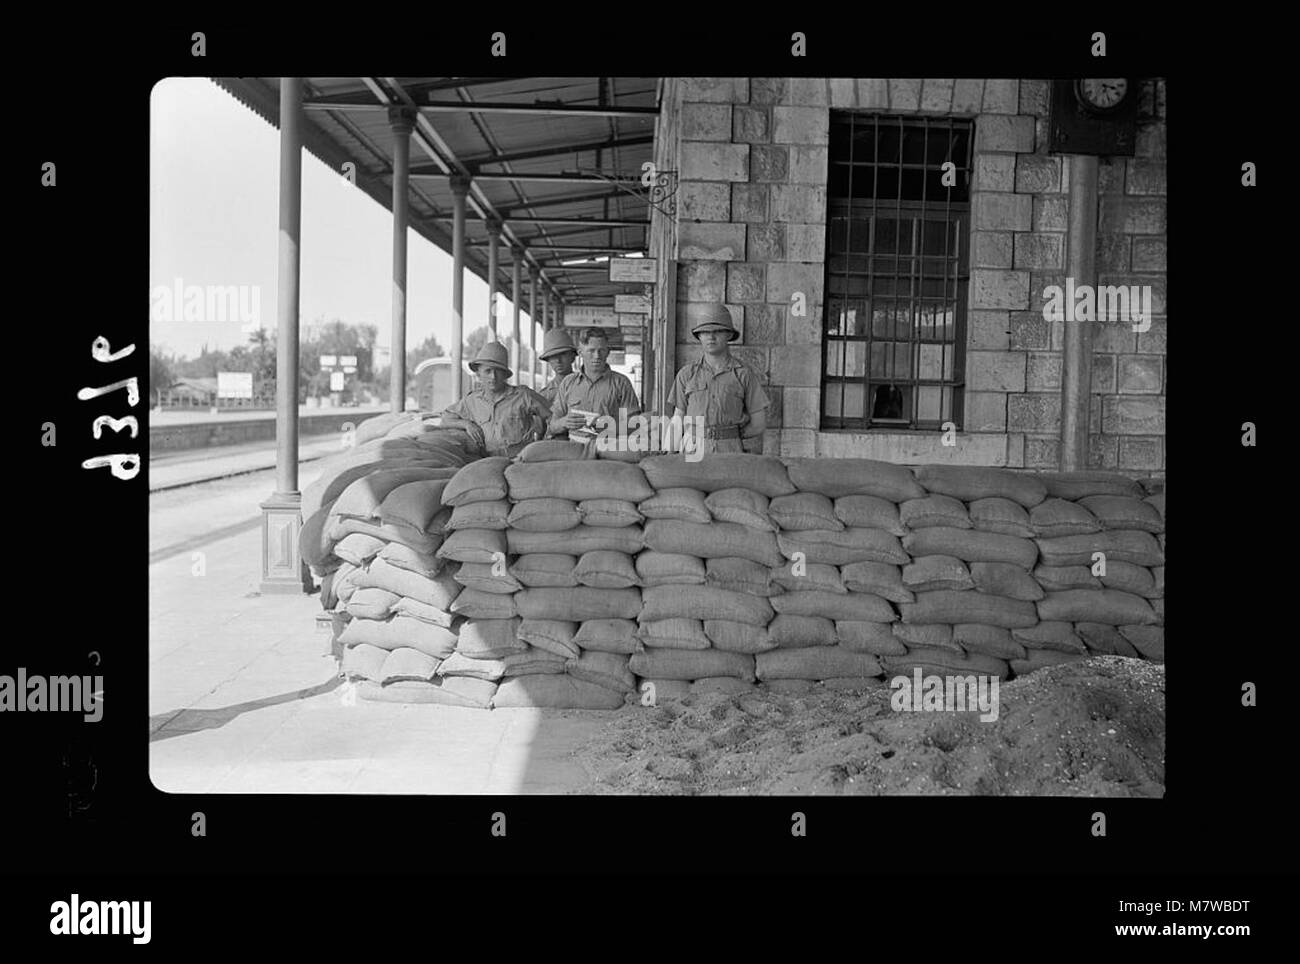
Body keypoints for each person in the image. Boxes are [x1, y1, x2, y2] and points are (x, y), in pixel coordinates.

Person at [668, 303, 769, 454]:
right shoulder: (687, 374)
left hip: (729, 450)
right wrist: (668, 454)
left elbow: (759, 423)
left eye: (718, 331)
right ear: (699, 336)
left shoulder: (743, 374)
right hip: (692, 448)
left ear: (729, 335)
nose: (711, 337)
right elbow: (678, 419)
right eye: (705, 332)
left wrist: (730, 436)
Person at [438, 341, 551, 458]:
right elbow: (445, 419)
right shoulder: (471, 401)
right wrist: (466, 424)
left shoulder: (523, 395)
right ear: (479, 374)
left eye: (498, 371)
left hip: (520, 460)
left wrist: (543, 441)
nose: (493, 376)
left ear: (505, 375)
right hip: (487, 462)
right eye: (488, 371)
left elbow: (553, 415)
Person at [547, 327, 641, 441]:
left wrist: (609, 427)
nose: (597, 356)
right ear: (581, 353)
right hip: (574, 451)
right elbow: (552, 426)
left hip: (609, 451)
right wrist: (564, 422)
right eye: (591, 351)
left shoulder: (621, 383)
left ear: (607, 352)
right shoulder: (568, 383)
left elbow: (635, 425)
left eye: (601, 351)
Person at [537, 328, 577, 407]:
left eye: (563, 354)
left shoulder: (586, 386)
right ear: (548, 360)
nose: (558, 360)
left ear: (572, 357)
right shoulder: (545, 396)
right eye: (553, 357)